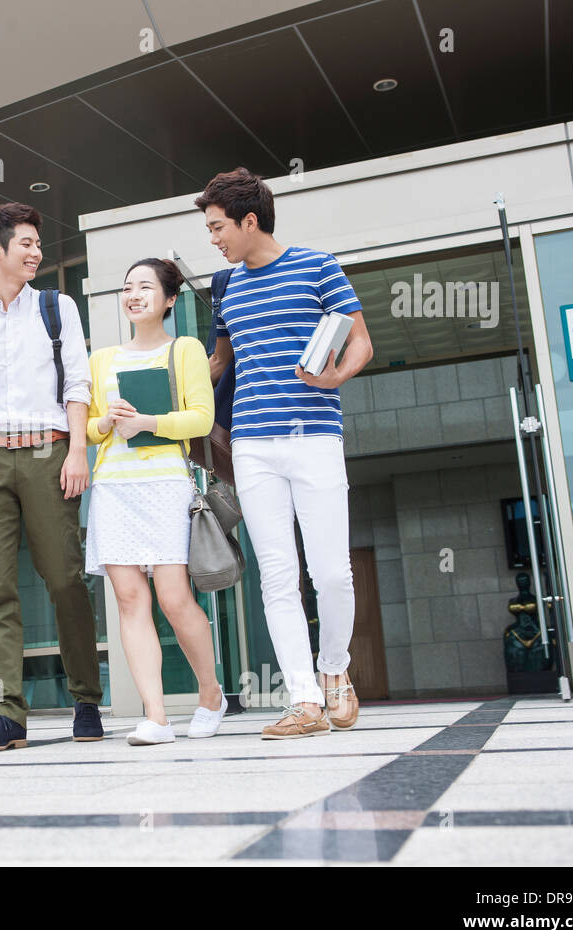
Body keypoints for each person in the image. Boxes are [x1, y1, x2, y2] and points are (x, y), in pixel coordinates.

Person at [199, 167, 373, 739]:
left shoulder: (318, 266)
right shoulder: (228, 288)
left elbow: (361, 342)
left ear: (251, 221)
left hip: (315, 436)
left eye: (219, 226)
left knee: (331, 572)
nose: (215, 238)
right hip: (252, 443)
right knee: (278, 574)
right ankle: (303, 700)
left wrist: (334, 378)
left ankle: (334, 674)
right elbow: (220, 364)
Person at [0, 202, 104, 751]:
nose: (37, 252)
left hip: (49, 453)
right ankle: (7, 713)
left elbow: (78, 385)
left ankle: (86, 698)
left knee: (64, 578)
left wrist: (78, 451)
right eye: (26, 244)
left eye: (39, 244)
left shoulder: (57, 309)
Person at [85, 258, 228, 745]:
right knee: (129, 599)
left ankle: (211, 694)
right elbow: (89, 426)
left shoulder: (184, 349)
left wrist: (146, 422)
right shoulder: (102, 358)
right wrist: (107, 424)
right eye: (127, 287)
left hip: (165, 484)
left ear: (169, 299)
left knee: (172, 597)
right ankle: (157, 716)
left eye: (145, 286)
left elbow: (200, 420)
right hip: (114, 487)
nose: (133, 294)